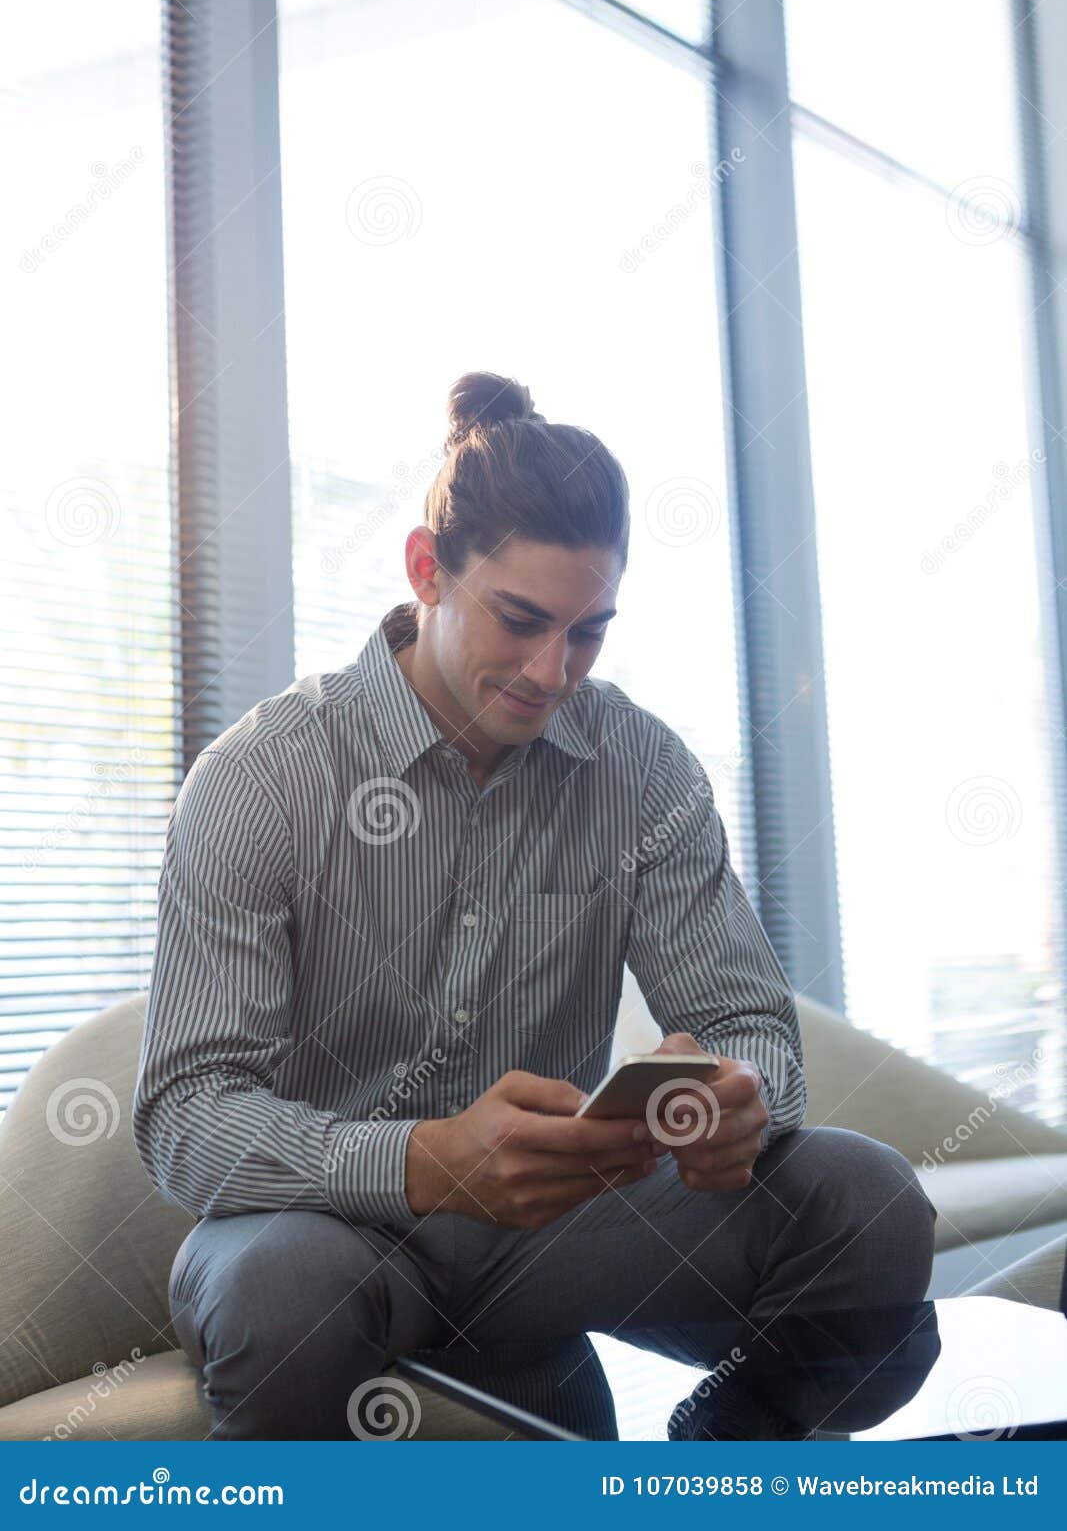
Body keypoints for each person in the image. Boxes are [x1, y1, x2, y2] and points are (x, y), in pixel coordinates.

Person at [132, 372, 936, 1441]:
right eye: (520, 621)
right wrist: (421, 1159)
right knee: (284, 1289)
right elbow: (186, 1114)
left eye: (588, 631)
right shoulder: (260, 779)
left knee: (868, 1206)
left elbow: (752, 1029)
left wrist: (745, 1093)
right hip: (322, 1233)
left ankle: (710, 1474)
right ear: (426, 569)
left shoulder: (638, 770)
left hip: (555, 1233)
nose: (552, 670)